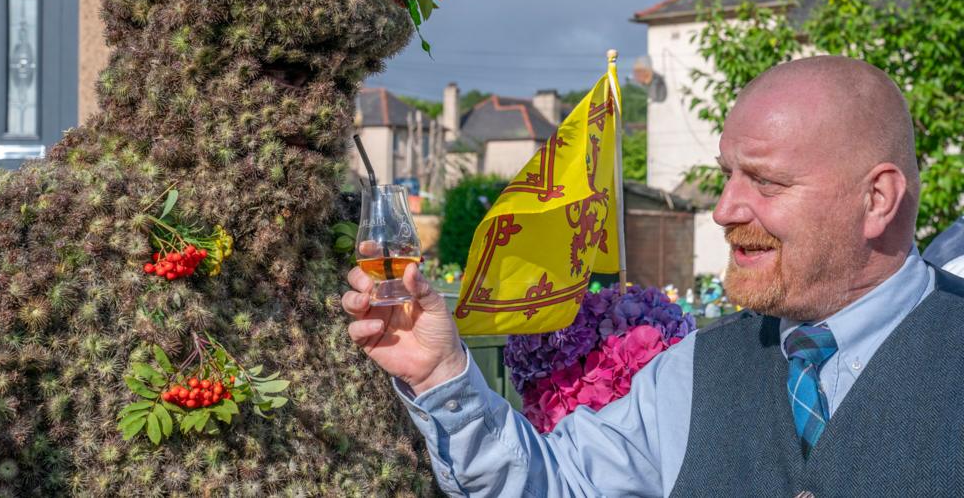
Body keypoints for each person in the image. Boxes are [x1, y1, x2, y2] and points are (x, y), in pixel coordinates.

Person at [344, 55, 964, 497]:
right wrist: (441, 375)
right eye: (727, 175)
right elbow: (557, 483)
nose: (724, 210)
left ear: (877, 200)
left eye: (766, 182)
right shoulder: (693, 369)